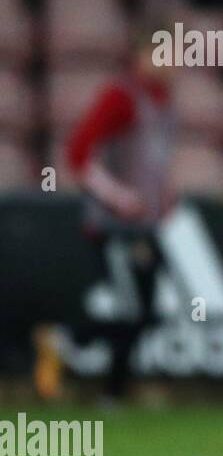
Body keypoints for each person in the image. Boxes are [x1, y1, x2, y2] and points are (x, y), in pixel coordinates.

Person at [34, 25, 178, 404]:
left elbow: (152, 161)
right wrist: (118, 197)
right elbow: (78, 153)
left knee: (143, 311)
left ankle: (84, 360)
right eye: (164, 52)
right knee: (131, 309)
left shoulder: (163, 99)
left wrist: (163, 193)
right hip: (115, 228)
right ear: (140, 54)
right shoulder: (120, 96)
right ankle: (99, 379)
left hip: (143, 226)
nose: (174, 60)